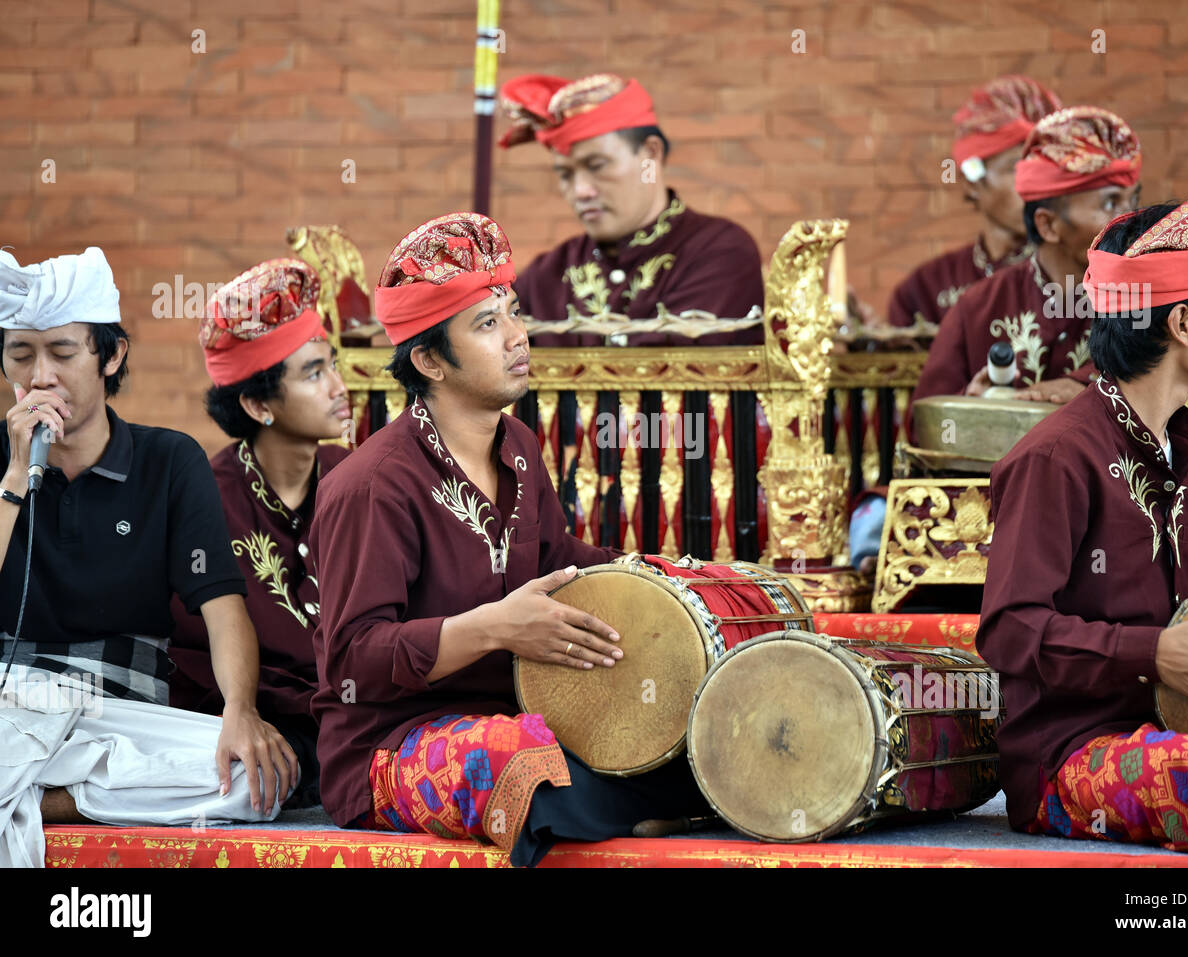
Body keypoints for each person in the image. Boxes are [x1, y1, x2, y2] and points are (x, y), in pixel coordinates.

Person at [309, 213, 707, 867]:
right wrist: (494, 628)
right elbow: (354, 657)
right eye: (488, 324)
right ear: (429, 359)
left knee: (674, 726)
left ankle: (646, 796)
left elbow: (554, 559)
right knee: (511, 756)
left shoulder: (518, 446)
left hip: (519, 712)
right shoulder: (375, 484)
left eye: (514, 312)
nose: (518, 337)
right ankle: (640, 803)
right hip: (387, 746)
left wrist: (663, 576)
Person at [977, 185, 1188, 852]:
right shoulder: (1058, 456)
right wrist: (1153, 653)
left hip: (1177, 722)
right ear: (1182, 324)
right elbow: (1010, 629)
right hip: (1073, 751)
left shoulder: (1180, 441)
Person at [0, 247, 295, 867]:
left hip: (120, 714)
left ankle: (27, 795)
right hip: (11, 705)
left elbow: (221, 605)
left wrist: (240, 711)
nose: (39, 376)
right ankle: (44, 787)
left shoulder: (168, 460)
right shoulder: (4, 464)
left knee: (255, 779)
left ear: (111, 357)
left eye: (62, 352)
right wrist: (12, 482)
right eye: (20, 354)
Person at [169, 258, 351, 809]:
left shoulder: (357, 479)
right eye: (315, 374)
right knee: (244, 779)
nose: (340, 387)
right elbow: (194, 653)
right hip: (262, 728)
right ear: (256, 404)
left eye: (333, 365)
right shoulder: (207, 498)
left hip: (356, 722)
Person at [499, 72, 765, 346]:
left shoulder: (719, 252)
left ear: (650, 154)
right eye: (566, 174)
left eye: (597, 165)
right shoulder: (545, 277)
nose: (580, 191)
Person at [910, 106, 1143, 409]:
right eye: (1111, 203)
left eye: (1134, 200)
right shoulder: (978, 309)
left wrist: (1086, 389)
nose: (1131, 220)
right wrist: (973, 409)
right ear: (1048, 225)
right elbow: (928, 421)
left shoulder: (1145, 300)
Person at [886, 75, 1061, 329]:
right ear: (973, 182)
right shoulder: (924, 291)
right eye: (1015, 168)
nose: (1035, 185)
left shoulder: (1073, 277)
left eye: (1044, 168)